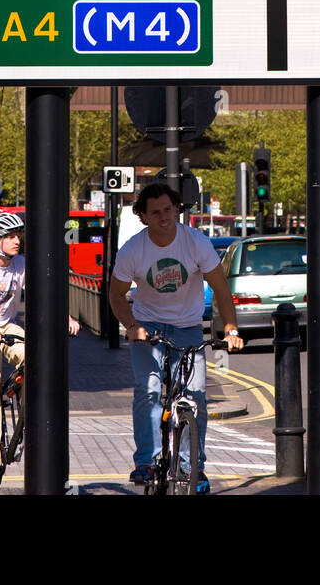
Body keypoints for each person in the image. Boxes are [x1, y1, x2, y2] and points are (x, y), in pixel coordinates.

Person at [108, 182, 243, 494]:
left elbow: (222, 290)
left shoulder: (195, 243)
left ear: (177, 209)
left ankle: (192, 467)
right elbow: (115, 295)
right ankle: (146, 462)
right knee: (148, 391)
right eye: (155, 212)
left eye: (168, 209)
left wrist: (231, 329)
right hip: (147, 327)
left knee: (195, 397)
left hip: (188, 327)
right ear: (143, 216)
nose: (163, 216)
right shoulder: (133, 249)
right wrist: (131, 325)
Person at [0, 210, 79, 493]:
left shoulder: (22, 265)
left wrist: (65, 318)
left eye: (18, 236)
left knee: (39, 360)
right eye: (11, 237)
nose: (17, 241)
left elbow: (44, 295)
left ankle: (29, 417)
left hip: (6, 328)